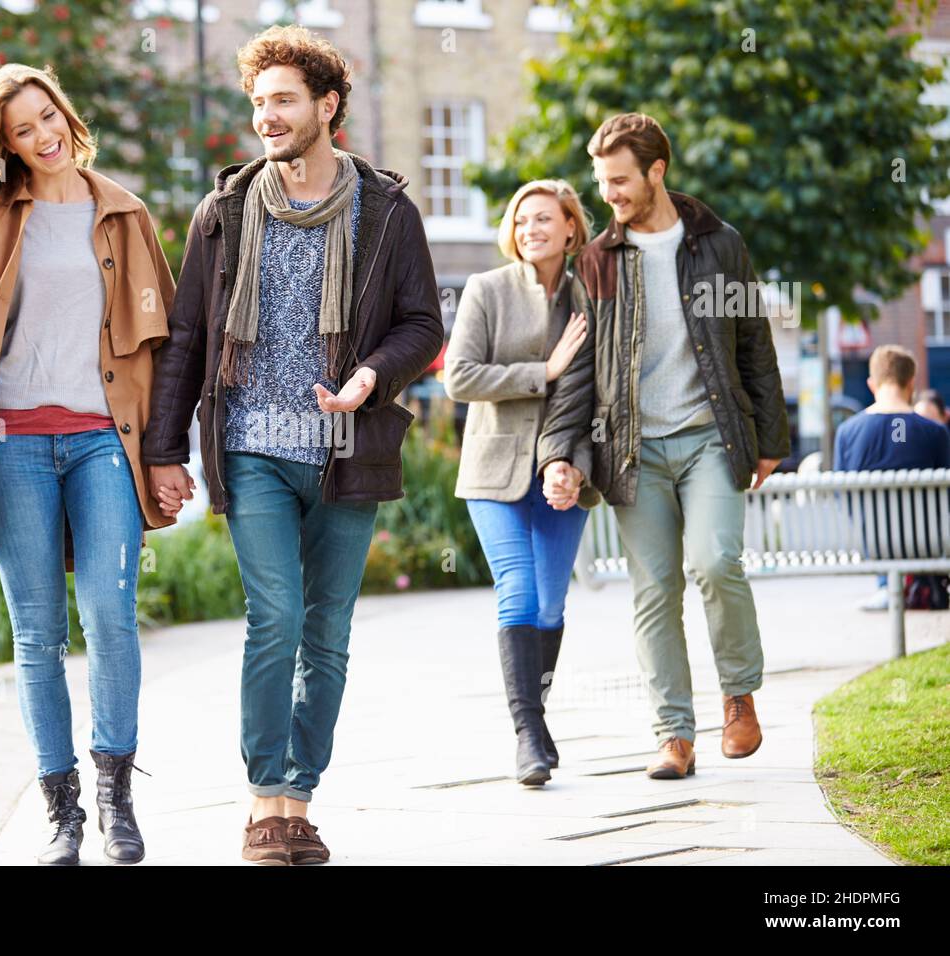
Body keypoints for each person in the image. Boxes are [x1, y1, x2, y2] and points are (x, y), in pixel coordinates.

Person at [140, 25, 443, 864]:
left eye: (282, 101)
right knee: (273, 618)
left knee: (329, 635)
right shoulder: (224, 212)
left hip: (349, 453)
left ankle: (297, 801)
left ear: (327, 106)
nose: (266, 117)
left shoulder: (386, 210)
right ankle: (262, 801)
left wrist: (372, 376)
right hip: (251, 448)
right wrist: (167, 451)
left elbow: (423, 323)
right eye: (258, 102)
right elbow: (189, 335)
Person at [0, 63, 176, 866]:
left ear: (66, 112)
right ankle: (62, 815)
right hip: (13, 442)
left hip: (101, 442)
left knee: (112, 618)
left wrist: (165, 454)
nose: (42, 136)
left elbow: (159, 346)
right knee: (37, 634)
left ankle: (116, 799)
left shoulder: (122, 212)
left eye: (47, 116)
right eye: (22, 130)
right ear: (7, 144)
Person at [538, 113, 791, 780]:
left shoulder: (718, 244)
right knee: (654, 590)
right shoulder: (597, 260)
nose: (609, 195)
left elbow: (754, 344)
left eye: (620, 180)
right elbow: (582, 370)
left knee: (715, 562)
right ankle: (674, 734)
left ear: (657, 171)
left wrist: (769, 438)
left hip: (711, 435)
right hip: (632, 449)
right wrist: (559, 453)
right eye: (601, 182)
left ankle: (739, 696)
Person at [443, 179, 595, 787]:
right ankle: (527, 734)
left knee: (552, 604)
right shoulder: (487, 289)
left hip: (566, 474)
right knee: (521, 590)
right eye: (522, 219)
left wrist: (576, 464)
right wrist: (544, 370)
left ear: (569, 228)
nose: (532, 228)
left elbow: (596, 396)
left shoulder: (593, 296)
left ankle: (538, 717)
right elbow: (460, 377)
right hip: (493, 469)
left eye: (544, 219)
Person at [835, 347, 950, 611]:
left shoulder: (847, 432)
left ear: (871, 384)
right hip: (926, 544)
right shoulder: (935, 432)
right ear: (911, 383)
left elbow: (843, 497)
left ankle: (887, 586)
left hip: (876, 545)